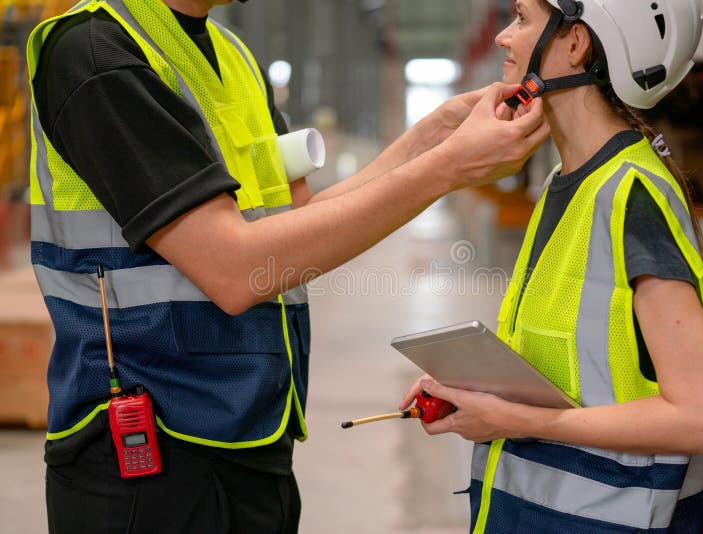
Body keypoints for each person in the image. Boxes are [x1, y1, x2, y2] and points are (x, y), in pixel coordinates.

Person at [27, 0, 551, 532]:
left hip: (254, 431)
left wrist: (433, 138)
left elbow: (298, 227)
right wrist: (447, 168)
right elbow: (233, 270)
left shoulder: (232, 57)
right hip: (149, 452)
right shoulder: (96, 53)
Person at [401, 1, 703, 532]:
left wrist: (519, 421)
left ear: (576, 44)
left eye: (522, 20)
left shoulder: (629, 195)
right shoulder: (568, 180)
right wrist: (476, 384)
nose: (503, 39)